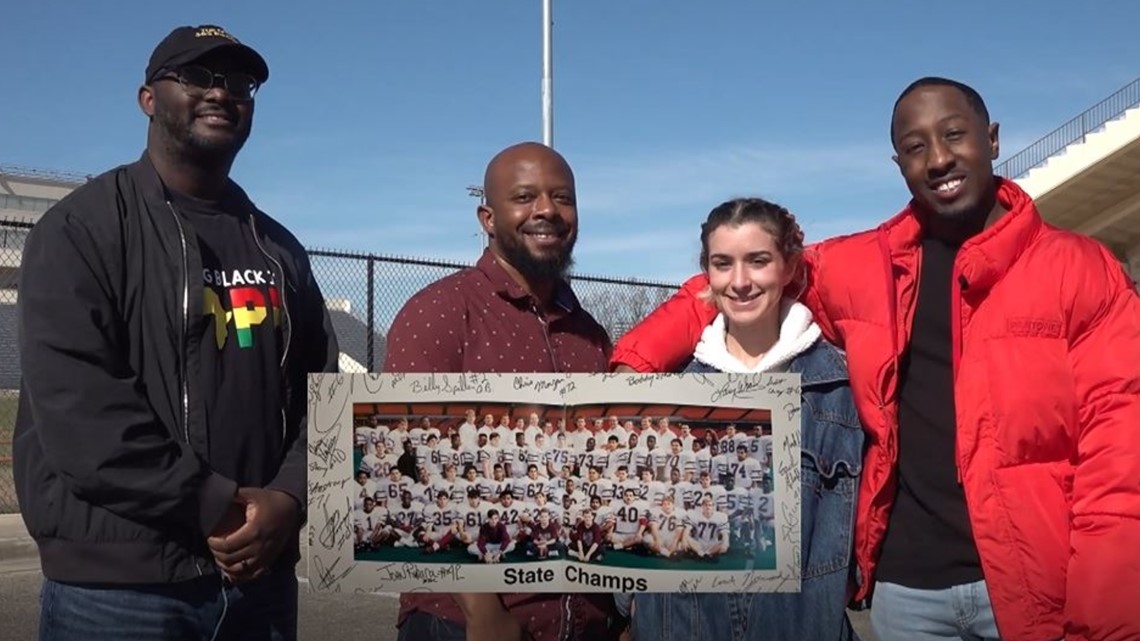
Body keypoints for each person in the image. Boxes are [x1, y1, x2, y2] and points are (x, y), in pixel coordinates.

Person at [610, 77, 1140, 641]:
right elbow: (739, 282)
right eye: (915, 147)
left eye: (954, 134)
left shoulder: (1078, 269)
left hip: (1032, 588)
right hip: (904, 593)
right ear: (898, 163)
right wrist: (632, 367)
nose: (938, 158)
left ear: (992, 139)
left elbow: (1119, 458)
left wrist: (1105, 622)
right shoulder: (867, 265)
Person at [13, 24, 339, 641]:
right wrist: (212, 502)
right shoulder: (80, 230)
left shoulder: (279, 248)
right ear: (147, 98)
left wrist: (289, 499)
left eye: (240, 83)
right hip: (118, 591)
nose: (221, 93)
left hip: (257, 581)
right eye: (196, 77)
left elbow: (321, 396)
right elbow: (79, 410)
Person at [382, 141, 619, 641]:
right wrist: (481, 610)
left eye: (562, 197)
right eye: (525, 197)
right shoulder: (440, 314)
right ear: (487, 217)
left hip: (584, 622)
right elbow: (409, 470)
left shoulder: (591, 335)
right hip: (464, 624)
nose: (547, 211)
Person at [614, 197, 863, 641]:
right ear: (706, 274)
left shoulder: (842, 388)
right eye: (723, 263)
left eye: (758, 261)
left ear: (788, 268)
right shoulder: (666, 393)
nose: (741, 281)